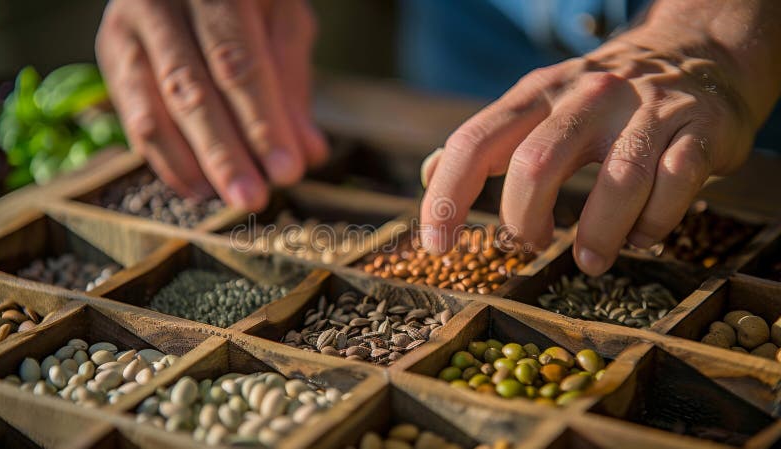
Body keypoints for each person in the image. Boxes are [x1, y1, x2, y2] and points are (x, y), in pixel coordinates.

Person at [96, 0, 781, 277]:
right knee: (474, 156)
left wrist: (714, 35)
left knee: (666, 169)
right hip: (480, 30)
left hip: (746, 80)